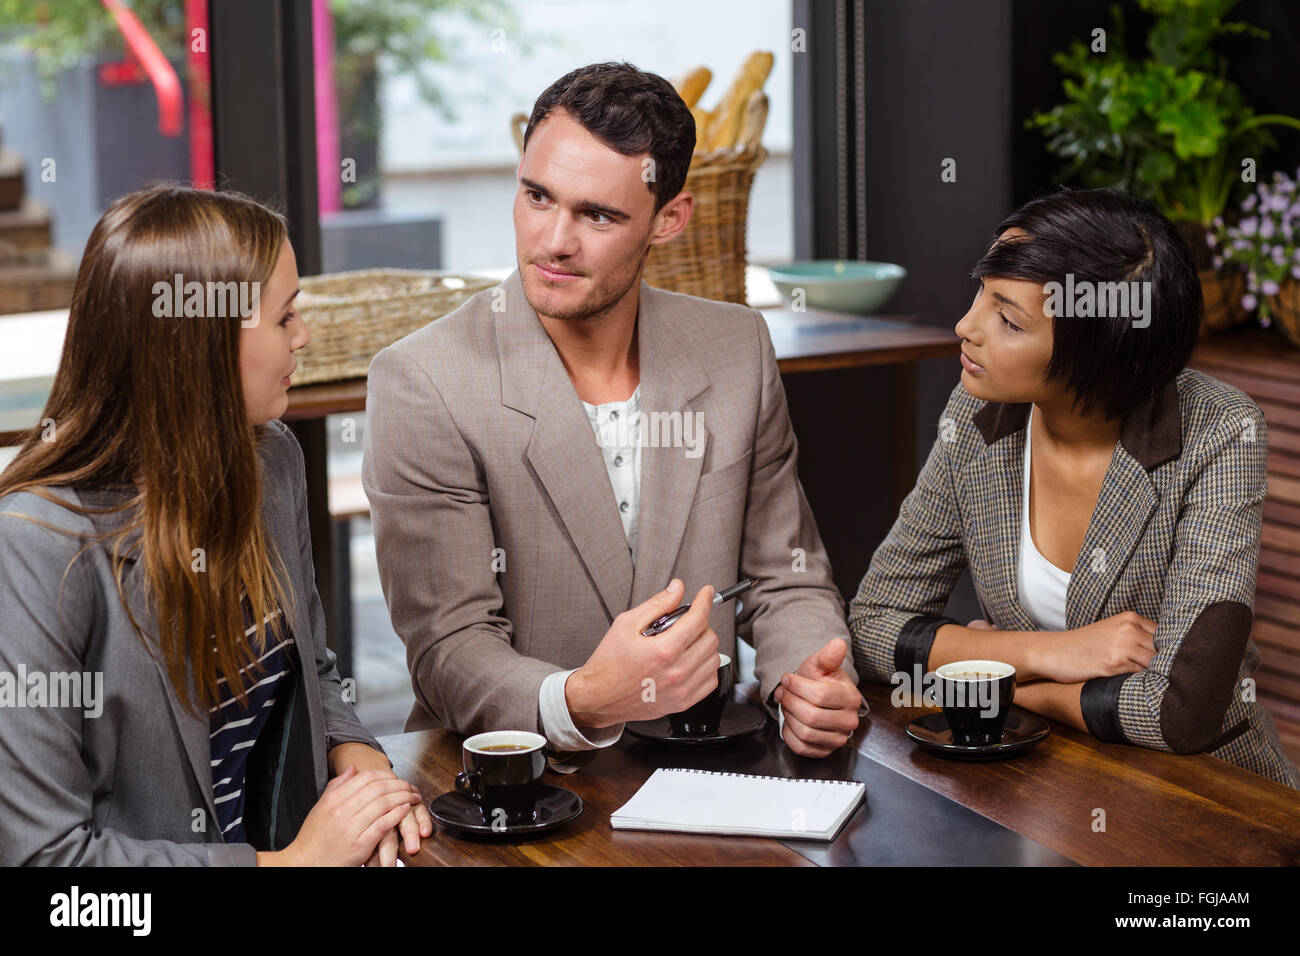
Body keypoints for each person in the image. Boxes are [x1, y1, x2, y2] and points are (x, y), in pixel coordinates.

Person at [363, 61, 865, 761]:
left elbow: (785, 575)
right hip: (516, 788)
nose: (554, 241)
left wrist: (806, 677)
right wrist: (586, 699)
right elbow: (449, 649)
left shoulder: (736, 346)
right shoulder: (423, 379)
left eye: (597, 214)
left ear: (670, 220)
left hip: (707, 767)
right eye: (537, 196)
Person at [0, 185, 435, 865]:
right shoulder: (33, 544)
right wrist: (287, 866)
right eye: (285, 316)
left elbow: (312, 670)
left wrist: (361, 767)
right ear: (198, 340)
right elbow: (46, 864)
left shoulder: (273, 461)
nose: (305, 336)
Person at [849, 187, 1298, 788]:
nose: (965, 326)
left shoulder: (1220, 430)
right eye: (982, 294)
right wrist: (1050, 655)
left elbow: (1182, 710)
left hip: (1202, 796)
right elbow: (873, 628)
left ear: (1099, 352)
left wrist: (994, 672)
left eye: (1008, 320)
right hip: (1030, 778)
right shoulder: (979, 417)